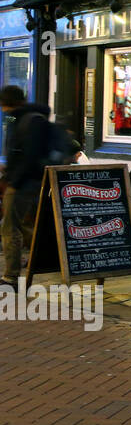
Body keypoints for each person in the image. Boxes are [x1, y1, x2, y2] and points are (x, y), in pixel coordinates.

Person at [0, 86, 52, 288]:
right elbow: (16, 148)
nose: (2, 109)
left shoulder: (29, 120)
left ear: (9, 103)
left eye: (3, 104)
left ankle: (11, 277)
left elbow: (29, 156)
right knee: (24, 224)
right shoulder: (20, 117)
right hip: (25, 180)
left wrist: (13, 178)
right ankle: (43, 255)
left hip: (22, 182)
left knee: (9, 227)